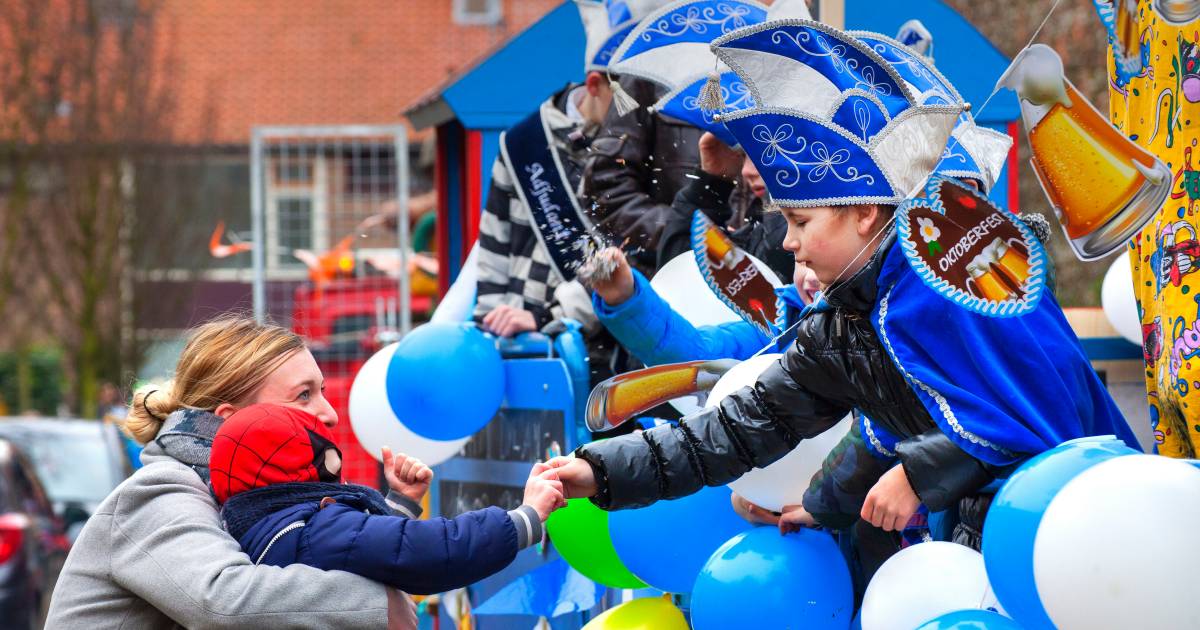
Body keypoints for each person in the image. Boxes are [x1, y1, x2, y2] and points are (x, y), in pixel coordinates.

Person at [544, 21, 1140, 553]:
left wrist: (918, 474)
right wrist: (598, 472)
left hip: (1083, 531)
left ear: (862, 212)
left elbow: (1037, 407)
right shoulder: (844, 320)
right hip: (989, 545)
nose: (787, 243)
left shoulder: (956, 277)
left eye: (801, 222)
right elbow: (739, 427)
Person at [47, 316, 415, 629]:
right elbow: (222, 600)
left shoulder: (253, 496)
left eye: (320, 391)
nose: (330, 414)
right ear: (232, 420)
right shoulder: (162, 491)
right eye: (304, 395)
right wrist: (377, 606)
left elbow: (330, 557)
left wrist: (399, 508)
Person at [209, 404, 564, 595]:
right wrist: (525, 518)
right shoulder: (319, 528)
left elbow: (367, 552)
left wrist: (400, 504)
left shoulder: (260, 527)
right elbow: (433, 550)